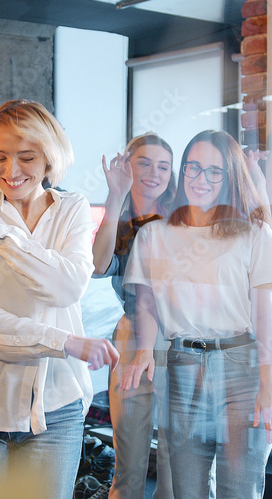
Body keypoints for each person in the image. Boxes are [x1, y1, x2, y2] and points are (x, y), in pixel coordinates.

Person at [0, 99, 119, 499]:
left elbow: (68, 287)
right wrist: (65, 342)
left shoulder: (73, 209)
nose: (11, 172)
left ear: (49, 157)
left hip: (56, 405)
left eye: (26, 157)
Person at [121, 130, 272, 499]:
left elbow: (265, 318)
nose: (201, 180)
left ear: (230, 176)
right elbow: (147, 303)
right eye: (193, 168)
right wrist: (145, 350)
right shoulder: (155, 234)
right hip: (183, 365)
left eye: (214, 171)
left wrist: (269, 388)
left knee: (239, 488)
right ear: (182, 172)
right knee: (187, 490)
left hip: (241, 367)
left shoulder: (253, 234)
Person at [92, 133, 176, 499]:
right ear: (128, 165)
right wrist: (115, 195)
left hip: (179, 335)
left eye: (164, 166)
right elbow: (97, 265)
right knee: (128, 456)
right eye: (144, 162)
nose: (154, 173)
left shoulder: (183, 221)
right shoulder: (121, 222)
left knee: (179, 459)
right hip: (130, 334)